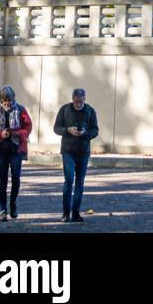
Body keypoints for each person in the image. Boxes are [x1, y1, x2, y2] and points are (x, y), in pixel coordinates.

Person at [53, 87, 99, 222]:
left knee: (80, 182)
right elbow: (56, 128)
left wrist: (85, 134)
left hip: (83, 151)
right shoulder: (65, 109)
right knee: (68, 180)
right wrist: (67, 130)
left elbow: (95, 130)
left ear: (84, 99)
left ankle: (76, 212)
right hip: (68, 150)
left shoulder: (90, 111)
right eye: (76, 102)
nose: (78, 104)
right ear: (72, 99)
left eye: (80, 102)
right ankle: (65, 212)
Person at [0, 85, 32, 221]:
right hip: (1, 150)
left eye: (10, 101)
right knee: (3, 181)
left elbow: (28, 127)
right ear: (1, 101)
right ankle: (2, 209)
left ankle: (13, 204)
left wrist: (16, 133)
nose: (8, 104)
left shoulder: (21, 110)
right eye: (5, 102)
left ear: (14, 99)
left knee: (16, 179)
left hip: (16, 149)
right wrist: (1, 134)